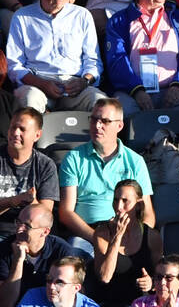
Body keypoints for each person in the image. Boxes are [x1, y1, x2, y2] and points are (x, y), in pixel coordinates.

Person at [5, 0, 104, 113]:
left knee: (100, 104)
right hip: (37, 84)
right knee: (30, 100)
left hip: (75, 84)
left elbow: (93, 60)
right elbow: (14, 64)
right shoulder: (22, 17)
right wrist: (41, 83)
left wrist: (84, 81)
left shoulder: (82, 15)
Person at [58, 98, 151, 256]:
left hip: (126, 234)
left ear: (119, 126)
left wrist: (134, 239)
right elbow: (66, 212)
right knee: (72, 259)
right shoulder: (74, 158)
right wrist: (97, 238)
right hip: (86, 234)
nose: (97, 126)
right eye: (94, 119)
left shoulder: (135, 161)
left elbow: (147, 212)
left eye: (105, 121)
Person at [103, 0, 179, 118]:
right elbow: (117, 61)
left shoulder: (178, 18)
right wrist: (137, 90)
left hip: (173, 89)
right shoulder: (119, 21)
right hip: (131, 92)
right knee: (126, 116)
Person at [89, 178, 161, 307]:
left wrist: (152, 283)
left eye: (125, 201)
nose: (118, 207)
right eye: (116, 200)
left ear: (138, 204)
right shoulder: (102, 233)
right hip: (113, 306)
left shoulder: (152, 236)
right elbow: (104, 276)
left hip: (142, 306)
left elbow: (161, 276)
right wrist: (116, 238)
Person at [0, 107, 60, 238]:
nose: (15, 133)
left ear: (37, 135)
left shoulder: (46, 165)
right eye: (13, 127)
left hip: (31, 234)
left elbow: (46, 216)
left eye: (22, 129)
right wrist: (13, 201)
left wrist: (31, 201)